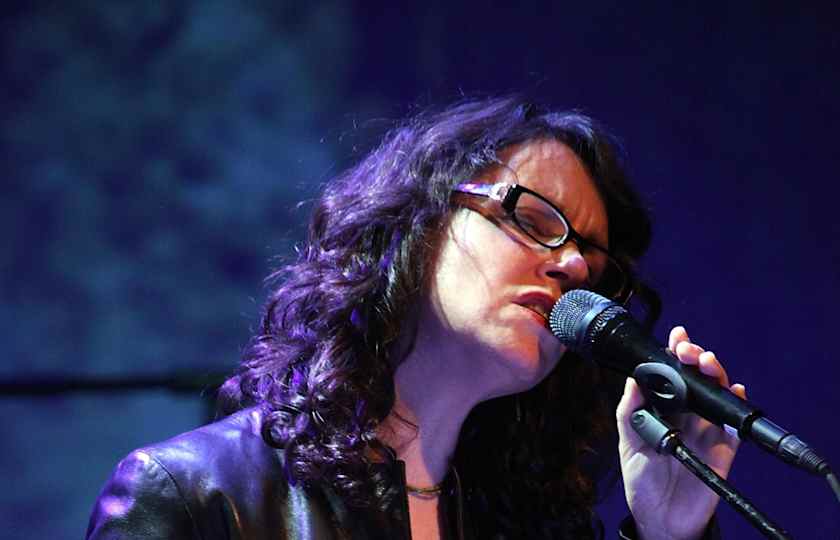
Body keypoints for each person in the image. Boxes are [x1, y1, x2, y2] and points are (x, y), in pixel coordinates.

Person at [86, 97, 745, 539]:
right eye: (533, 219)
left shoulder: (528, 522)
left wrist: (668, 533)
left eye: (592, 261)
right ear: (418, 224)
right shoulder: (197, 494)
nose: (573, 265)